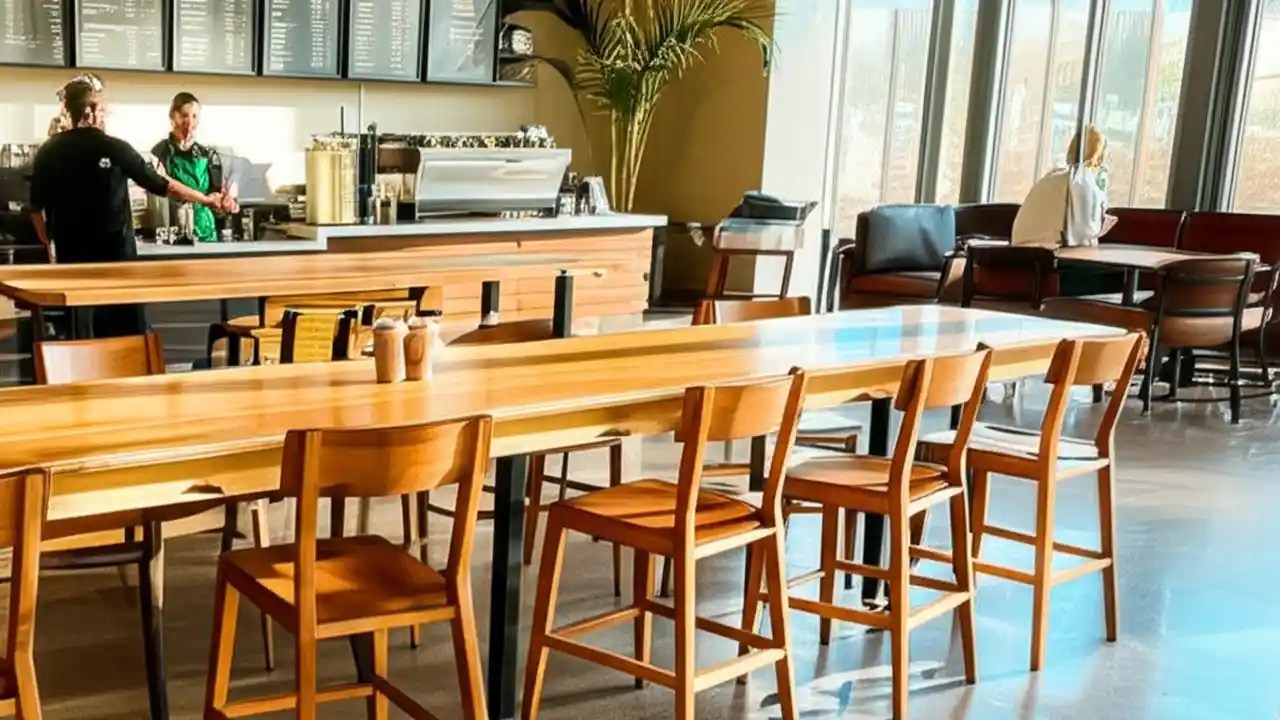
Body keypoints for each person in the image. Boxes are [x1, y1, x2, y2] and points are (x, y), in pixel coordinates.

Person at [29, 79, 228, 338]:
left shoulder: (49, 150)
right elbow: (163, 185)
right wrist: (205, 199)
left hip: (73, 262)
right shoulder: (115, 147)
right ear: (94, 112)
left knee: (80, 335)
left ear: (68, 111)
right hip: (117, 261)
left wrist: (50, 244)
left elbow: (35, 209)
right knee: (125, 335)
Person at [1011, 125, 1118, 249]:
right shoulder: (1082, 185)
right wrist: (1100, 223)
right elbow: (1084, 233)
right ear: (1098, 157)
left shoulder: (1052, 178)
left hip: (1019, 249)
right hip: (1045, 252)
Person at [151, 92, 238, 243]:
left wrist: (227, 202)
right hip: (173, 236)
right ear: (172, 117)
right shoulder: (160, 153)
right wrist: (205, 199)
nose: (190, 122)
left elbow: (217, 196)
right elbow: (166, 185)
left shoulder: (208, 155)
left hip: (206, 235)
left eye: (194, 116)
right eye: (184, 115)